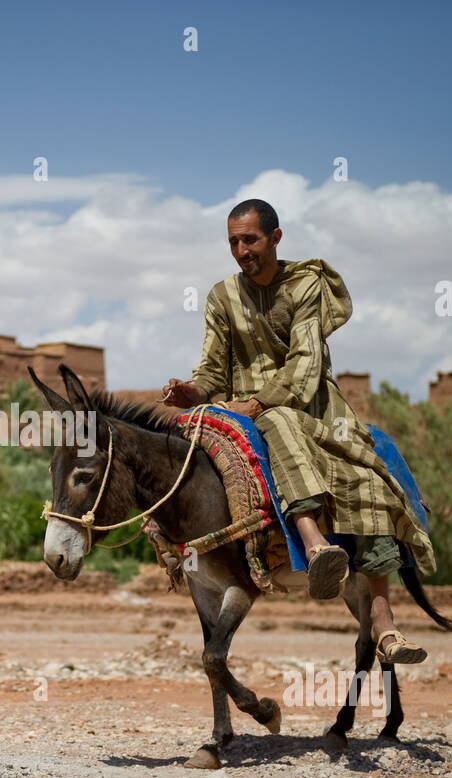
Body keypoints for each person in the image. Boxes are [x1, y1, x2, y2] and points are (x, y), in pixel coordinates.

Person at [161, 199, 433, 665]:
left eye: (250, 240)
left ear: (275, 238)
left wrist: (259, 402)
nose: (242, 251)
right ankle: (288, 547)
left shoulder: (306, 284)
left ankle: (384, 623)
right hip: (242, 410)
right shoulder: (221, 296)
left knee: (368, 480)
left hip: (312, 405)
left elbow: (306, 364)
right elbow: (211, 369)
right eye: (233, 242)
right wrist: (194, 391)